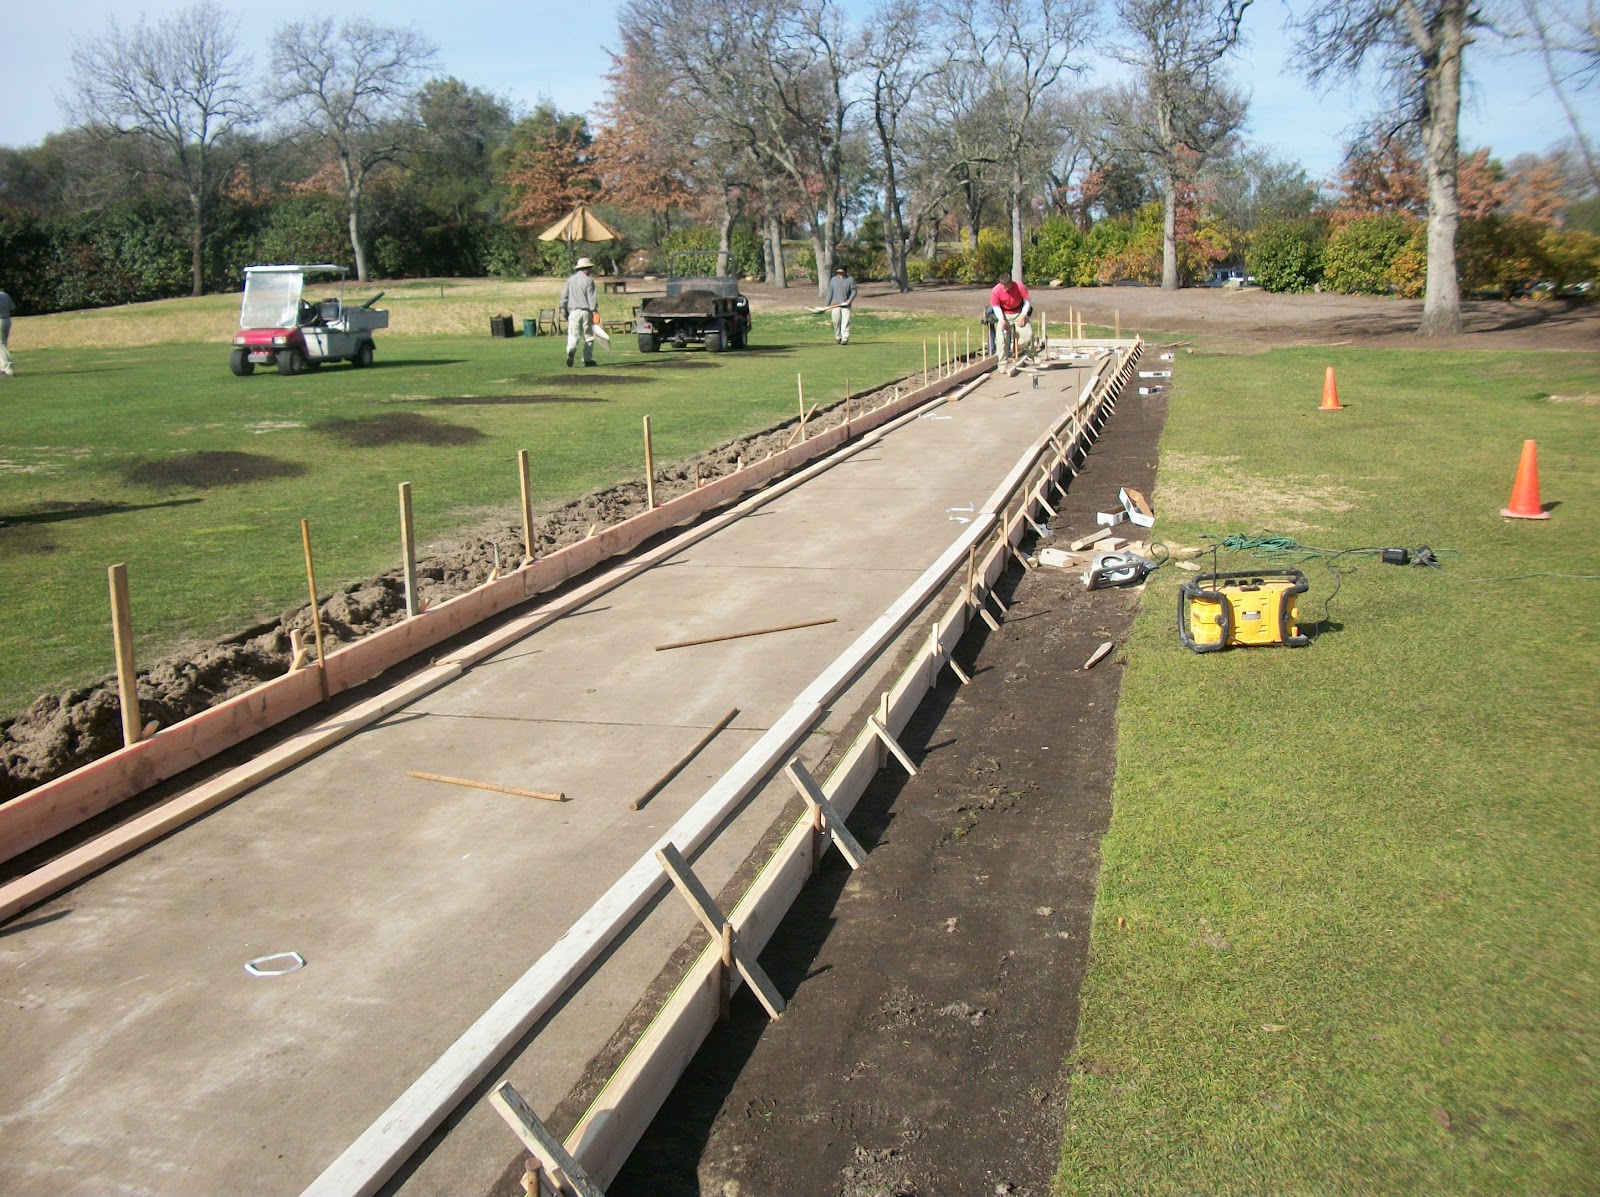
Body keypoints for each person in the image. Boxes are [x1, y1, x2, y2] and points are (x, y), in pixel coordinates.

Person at [559, 257, 600, 367]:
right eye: (590, 268)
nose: (591, 270)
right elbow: (592, 299)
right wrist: (595, 312)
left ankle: (571, 350)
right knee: (589, 336)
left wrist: (564, 308)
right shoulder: (588, 281)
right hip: (586, 311)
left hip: (573, 311)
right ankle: (587, 359)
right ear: (586, 269)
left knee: (573, 334)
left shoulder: (570, 280)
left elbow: (564, 297)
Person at [988, 272, 1032, 362]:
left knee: (1029, 335)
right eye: (1003, 287)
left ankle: (1033, 355)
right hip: (1004, 313)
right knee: (1001, 340)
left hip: (1019, 312)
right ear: (1000, 284)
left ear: (1011, 283)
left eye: (1008, 286)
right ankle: (1002, 364)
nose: (1006, 289)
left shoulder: (1019, 287)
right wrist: (1002, 319)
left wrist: (1023, 315)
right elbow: (996, 306)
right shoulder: (996, 291)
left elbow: (1027, 301)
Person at [824, 265, 857, 345]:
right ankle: (838, 337)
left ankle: (845, 339)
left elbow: (854, 291)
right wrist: (826, 304)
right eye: (839, 272)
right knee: (836, 321)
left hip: (846, 305)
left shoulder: (850, 280)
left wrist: (850, 300)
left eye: (842, 272)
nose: (840, 274)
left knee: (845, 322)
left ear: (845, 272)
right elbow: (830, 292)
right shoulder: (833, 280)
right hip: (835, 305)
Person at [0, 288, 14, 377]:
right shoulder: (5, 294)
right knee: (3, 344)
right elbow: (12, 307)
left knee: (1, 344)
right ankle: (2, 368)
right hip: (7, 319)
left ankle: (7, 368)